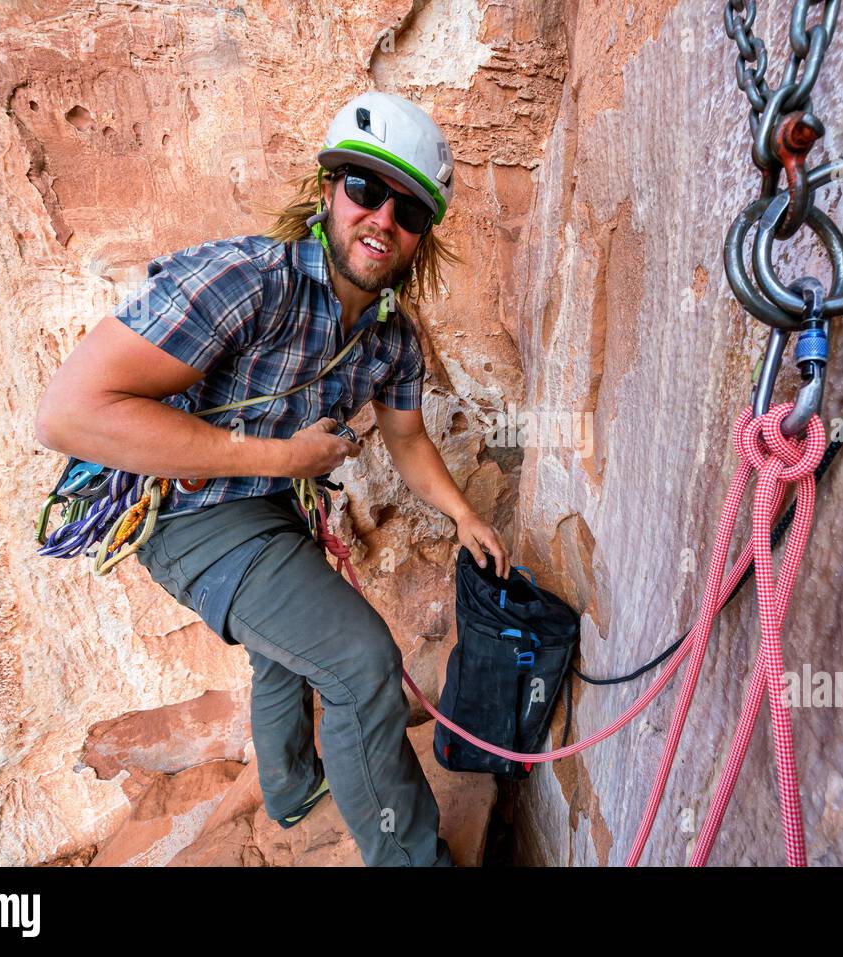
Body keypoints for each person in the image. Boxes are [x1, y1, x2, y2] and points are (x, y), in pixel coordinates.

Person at [35, 91, 511, 866]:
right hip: (190, 516)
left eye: (410, 210)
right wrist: (279, 459)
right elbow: (69, 411)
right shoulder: (246, 280)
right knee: (361, 665)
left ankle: (291, 786)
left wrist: (463, 514)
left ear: (423, 236)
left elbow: (408, 438)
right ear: (326, 191)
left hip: (262, 509)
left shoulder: (390, 337)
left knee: (288, 644)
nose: (383, 218)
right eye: (364, 187)